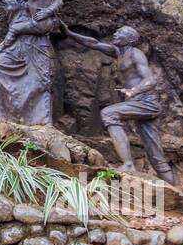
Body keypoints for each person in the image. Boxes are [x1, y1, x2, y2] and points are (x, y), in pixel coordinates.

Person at [63, 24, 176, 184]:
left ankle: (129, 164)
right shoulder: (117, 52)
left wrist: (133, 91)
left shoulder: (136, 54)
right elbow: (93, 43)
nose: (115, 33)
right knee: (156, 156)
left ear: (130, 39)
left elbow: (151, 80)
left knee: (108, 113)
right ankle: (176, 193)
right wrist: (68, 32)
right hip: (138, 103)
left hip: (146, 102)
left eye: (120, 32)